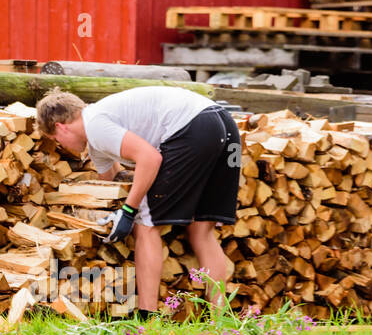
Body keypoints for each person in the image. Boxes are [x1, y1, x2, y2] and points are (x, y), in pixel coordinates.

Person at [35, 86, 241, 312]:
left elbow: (150, 159)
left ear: (60, 127)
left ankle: (147, 317)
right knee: (201, 230)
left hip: (193, 127)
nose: (60, 145)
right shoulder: (98, 136)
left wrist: (129, 210)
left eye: (55, 139)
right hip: (223, 122)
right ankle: (220, 319)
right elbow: (112, 182)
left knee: (145, 225)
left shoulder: (95, 125)